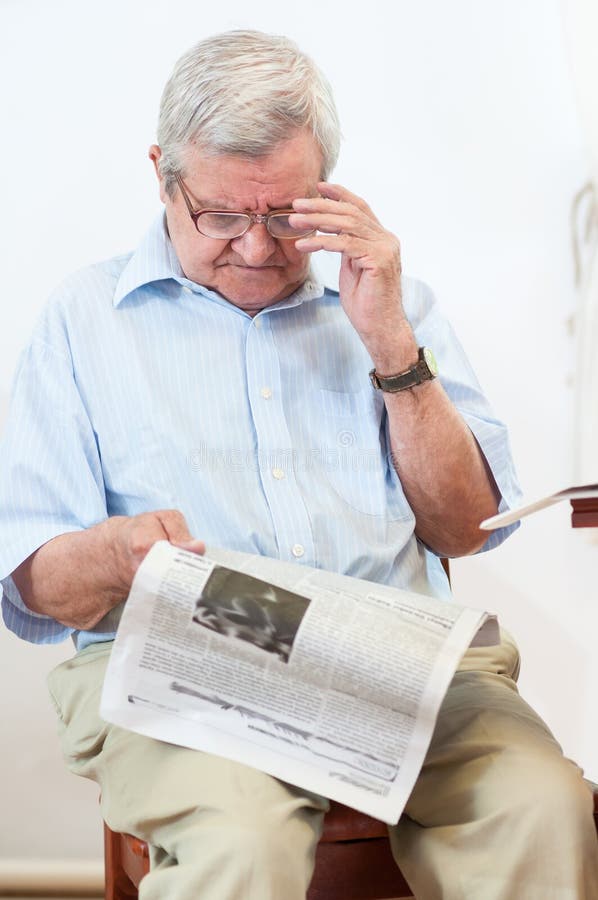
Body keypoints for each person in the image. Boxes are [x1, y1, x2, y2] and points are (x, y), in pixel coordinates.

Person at [0, 29, 595, 900]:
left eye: (283, 215)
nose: (254, 247)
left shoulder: (390, 301)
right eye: (223, 216)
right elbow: (33, 586)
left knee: (544, 806)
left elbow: (464, 530)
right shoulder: (85, 318)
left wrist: (391, 344)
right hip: (187, 657)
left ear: (328, 189)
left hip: (389, 658)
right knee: (241, 841)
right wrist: (116, 551)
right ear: (162, 173)